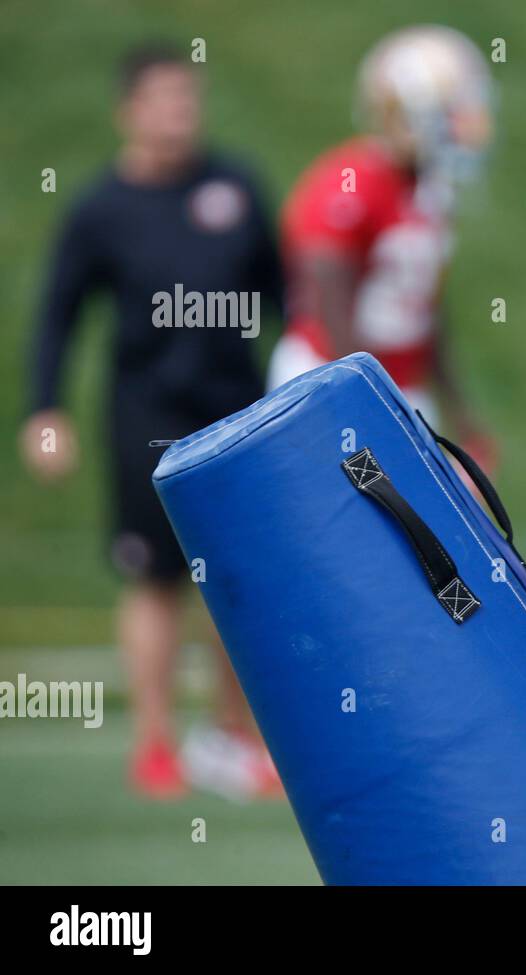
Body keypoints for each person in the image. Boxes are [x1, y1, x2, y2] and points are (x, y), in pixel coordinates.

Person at [20, 44, 284, 800]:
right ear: (128, 110)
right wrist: (44, 411)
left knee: (237, 578)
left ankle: (233, 736)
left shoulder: (234, 187)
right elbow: (57, 318)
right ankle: (156, 743)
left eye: (188, 97)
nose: (180, 112)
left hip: (235, 413)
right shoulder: (102, 209)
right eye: (164, 98)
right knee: (154, 578)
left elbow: (284, 295)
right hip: (145, 416)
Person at [267, 24, 495, 469]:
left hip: (394, 388)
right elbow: (328, 309)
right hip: (330, 382)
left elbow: (424, 311)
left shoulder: (429, 188)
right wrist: (369, 408)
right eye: (449, 112)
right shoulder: (350, 186)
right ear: (404, 114)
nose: (465, 125)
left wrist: (460, 412)